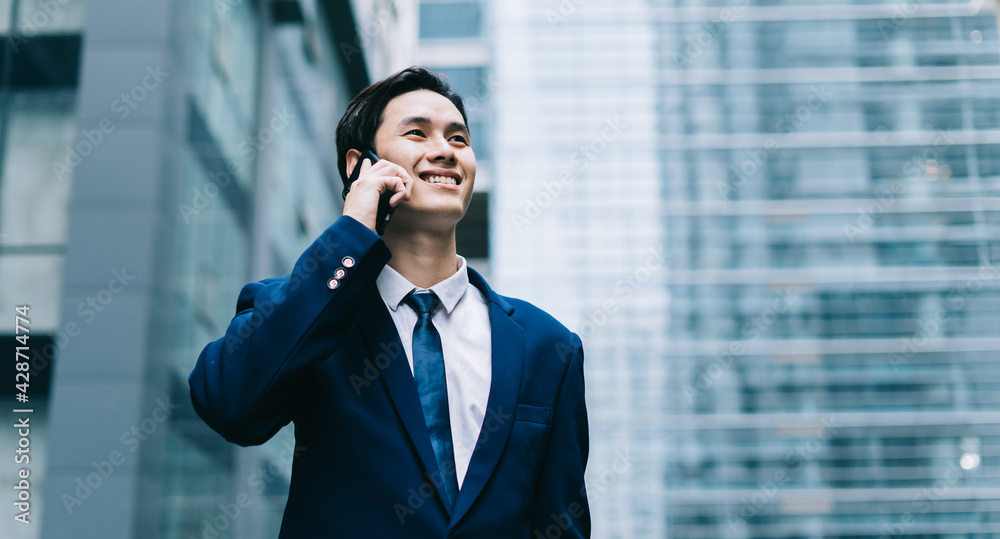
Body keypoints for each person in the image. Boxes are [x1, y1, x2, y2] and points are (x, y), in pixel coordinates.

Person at [189, 66, 590, 538]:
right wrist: (352, 235)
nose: (444, 151)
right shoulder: (310, 309)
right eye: (417, 133)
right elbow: (230, 403)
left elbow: (561, 526)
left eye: (459, 139)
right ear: (360, 165)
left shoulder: (548, 346)